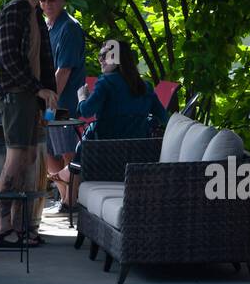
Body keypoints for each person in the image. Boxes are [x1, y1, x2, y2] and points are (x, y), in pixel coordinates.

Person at [52, 37, 168, 207]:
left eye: (105, 54)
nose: (100, 58)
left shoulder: (106, 83)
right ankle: (65, 179)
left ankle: (68, 189)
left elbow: (86, 111)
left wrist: (82, 97)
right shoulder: (145, 86)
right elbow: (163, 118)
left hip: (103, 153)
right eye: (100, 55)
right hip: (138, 154)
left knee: (81, 147)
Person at [0, 0, 58, 247]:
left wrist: (48, 93)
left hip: (31, 97)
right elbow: (8, 58)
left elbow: (43, 60)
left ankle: (18, 226)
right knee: (16, 158)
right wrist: (37, 89)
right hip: (17, 94)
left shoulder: (37, 15)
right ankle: (1, 228)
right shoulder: (14, 10)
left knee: (29, 159)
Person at [41, 0, 86, 209]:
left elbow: (64, 70)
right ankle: (64, 196)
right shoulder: (48, 26)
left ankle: (72, 200)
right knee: (47, 149)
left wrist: (47, 101)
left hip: (63, 105)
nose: (47, 4)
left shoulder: (69, 28)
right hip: (51, 103)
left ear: (62, 0)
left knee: (67, 151)